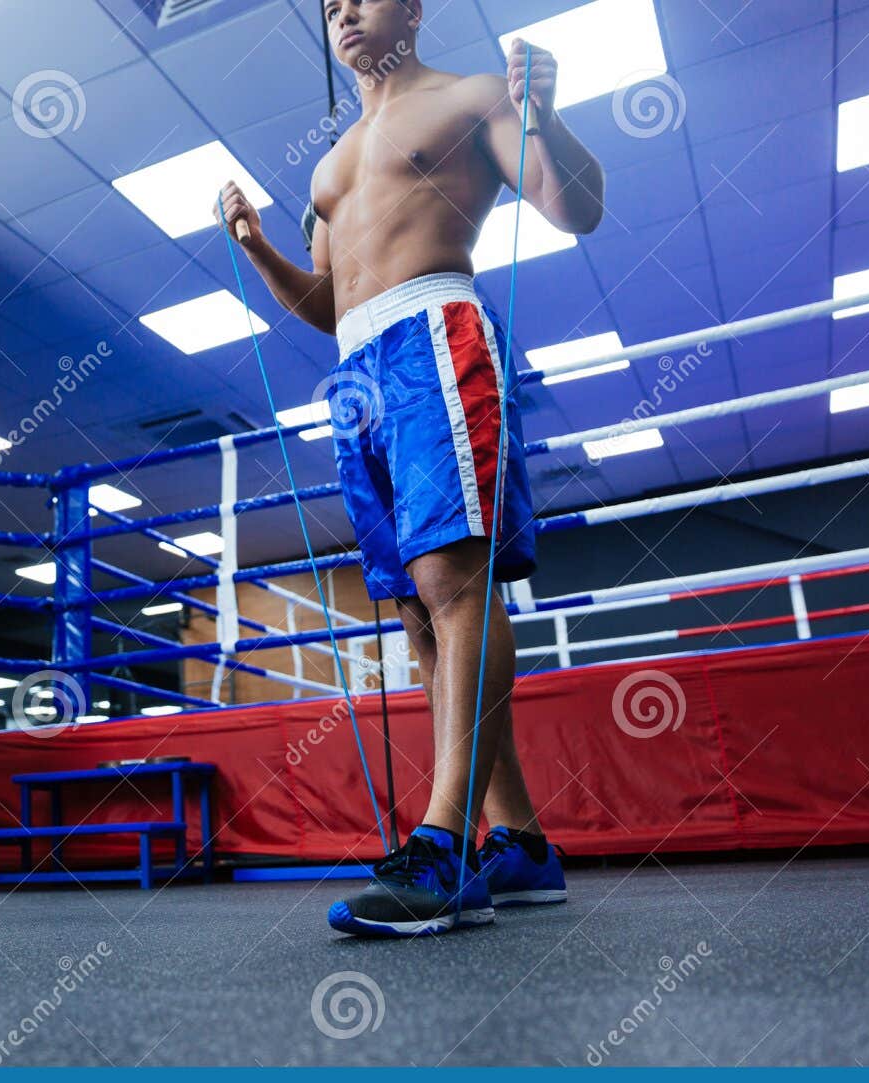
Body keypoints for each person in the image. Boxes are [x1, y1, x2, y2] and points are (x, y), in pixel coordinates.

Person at [216, 0, 604, 936]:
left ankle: (440, 843)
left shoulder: (470, 97)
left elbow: (573, 207)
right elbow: (326, 299)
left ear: (416, 9)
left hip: (438, 337)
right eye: (330, 1)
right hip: (357, 372)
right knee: (413, 608)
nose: (344, 9)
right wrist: (259, 246)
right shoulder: (329, 163)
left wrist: (551, 115)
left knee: (452, 582)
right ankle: (519, 841)